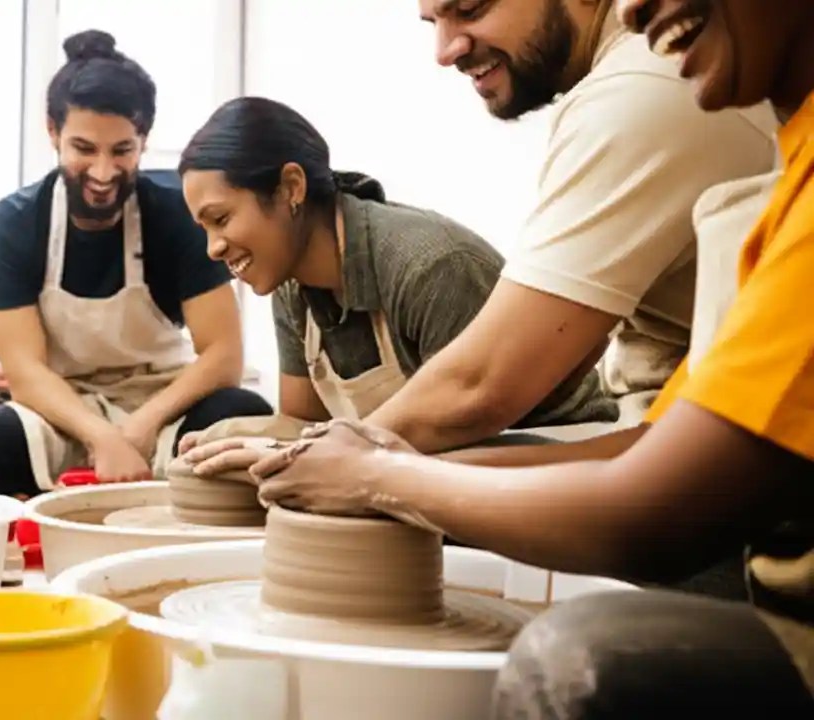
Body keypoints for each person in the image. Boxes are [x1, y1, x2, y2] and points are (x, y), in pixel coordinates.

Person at [244, 0, 814, 713]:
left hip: (737, 550)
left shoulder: (645, 94)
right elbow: (652, 447)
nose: (636, 7)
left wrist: (377, 476)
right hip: (694, 478)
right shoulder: (792, 178)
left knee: (577, 660)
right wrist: (380, 471)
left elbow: (503, 402)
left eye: (471, 7)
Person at [349, 0, 779, 455]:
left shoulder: (642, 86)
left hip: (721, 473)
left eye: (471, 9)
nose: (444, 50)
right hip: (671, 443)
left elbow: (482, 386)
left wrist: (342, 457)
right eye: (433, 22)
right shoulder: (626, 82)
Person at [176, 96, 616, 475]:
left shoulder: (429, 267)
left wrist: (293, 454)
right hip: (425, 464)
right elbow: (301, 422)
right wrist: (231, 442)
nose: (213, 248)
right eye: (202, 229)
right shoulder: (290, 282)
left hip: (555, 460)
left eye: (221, 220)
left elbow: (464, 423)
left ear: (292, 188)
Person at [0, 30, 271, 499]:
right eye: (83, 149)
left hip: (161, 404)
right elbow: (26, 371)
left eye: (121, 150)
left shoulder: (177, 216)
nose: (102, 172)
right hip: (61, 410)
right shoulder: (10, 226)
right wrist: (101, 437)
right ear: (53, 133)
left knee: (245, 414)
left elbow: (223, 356)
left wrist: (139, 428)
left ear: (144, 141)